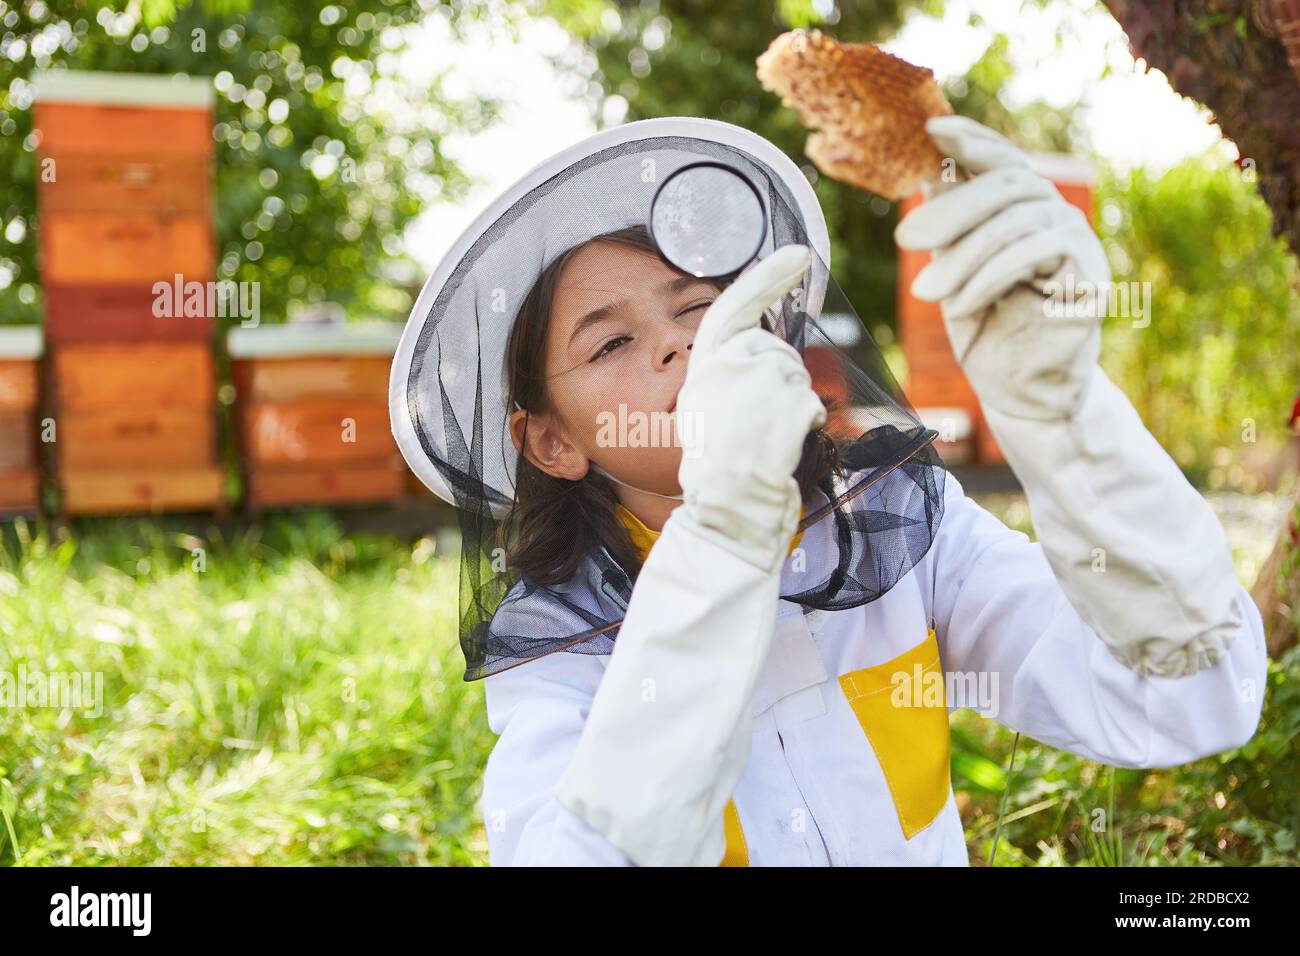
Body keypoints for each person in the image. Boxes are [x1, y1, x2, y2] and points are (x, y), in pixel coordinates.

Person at [388, 115, 1267, 866]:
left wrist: (1066, 420)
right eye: (609, 344)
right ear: (549, 440)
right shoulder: (563, 648)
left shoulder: (898, 526)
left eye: (698, 308)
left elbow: (1189, 696)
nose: (674, 346)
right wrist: (723, 541)